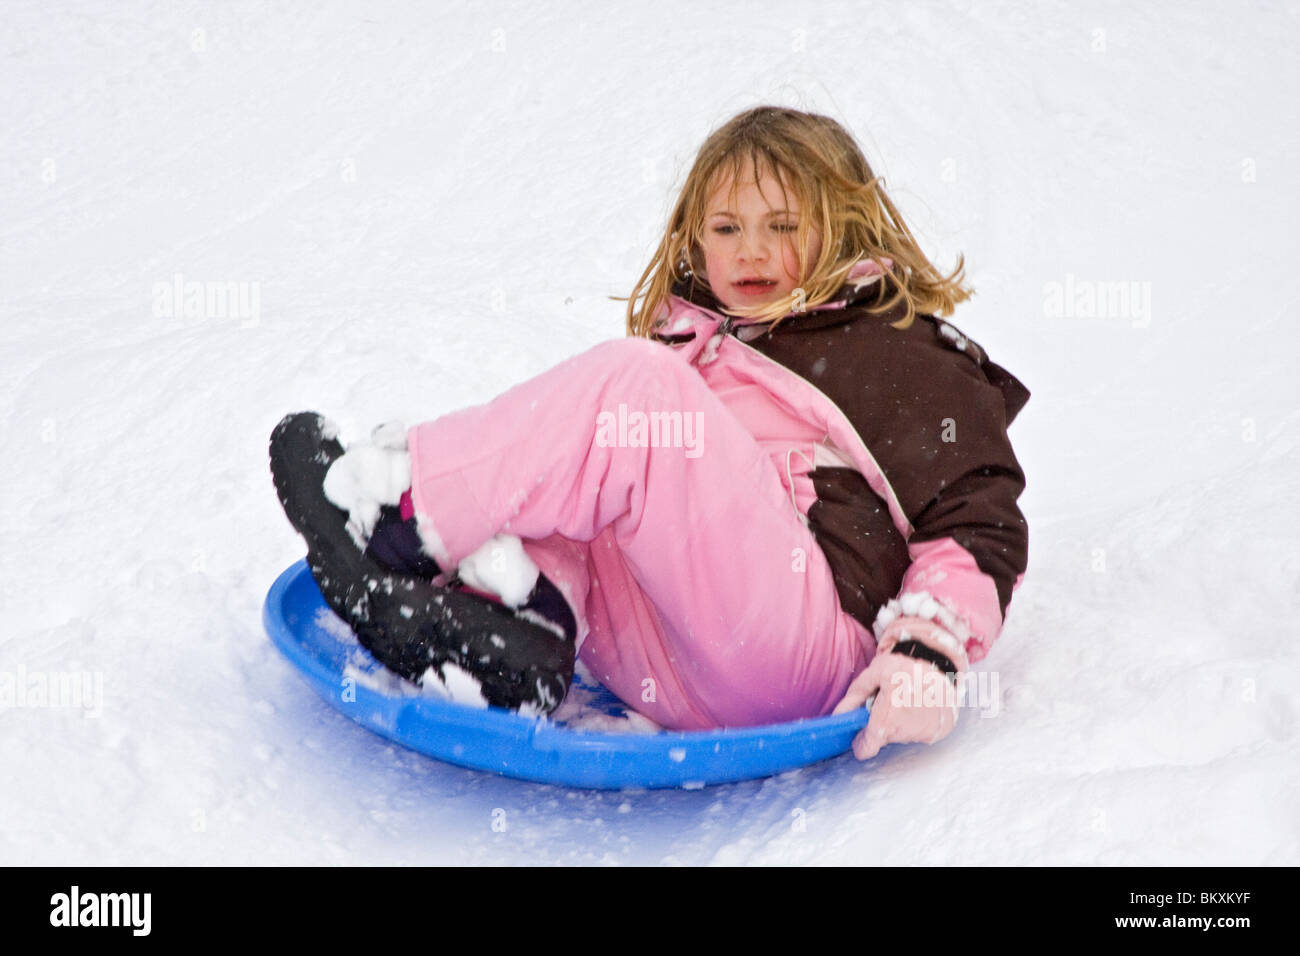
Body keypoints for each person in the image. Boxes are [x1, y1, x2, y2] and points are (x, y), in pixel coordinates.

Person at [269, 105, 1030, 760]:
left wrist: (927, 649)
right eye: (727, 227)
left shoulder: (890, 350)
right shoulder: (695, 347)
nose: (751, 249)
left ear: (842, 229)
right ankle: (515, 630)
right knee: (574, 478)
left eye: (784, 226)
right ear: (695, 238)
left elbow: (978, 523)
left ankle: (397, 515)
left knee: (634, 396)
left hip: (793, 657)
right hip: (653, 663)